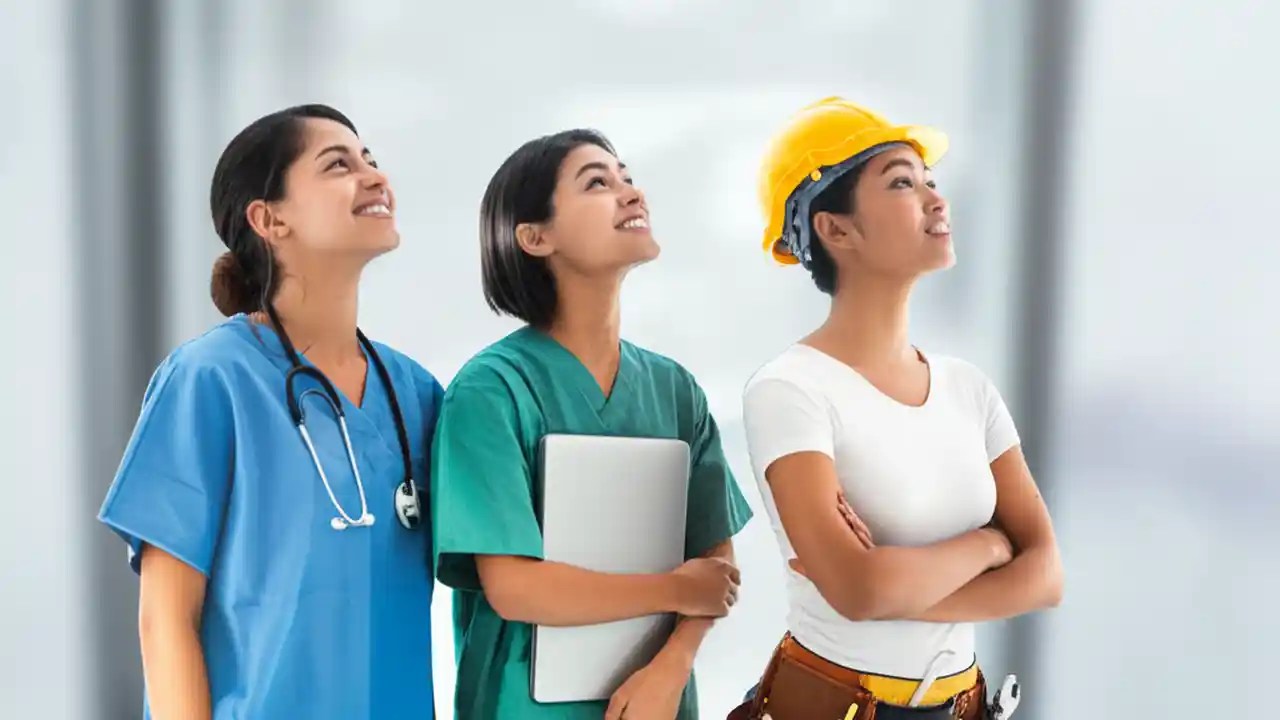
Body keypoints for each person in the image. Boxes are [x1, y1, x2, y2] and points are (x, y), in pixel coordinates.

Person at [97, 104, 443, 720]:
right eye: (338, 165)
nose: (373, 177)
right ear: (269, 217)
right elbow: (165, 619)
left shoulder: (414, 393)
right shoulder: (212, 378)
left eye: (372, 161)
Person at [734, 97, 1064, 720]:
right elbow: (858, 590)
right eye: (903, 183)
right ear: (835, 228)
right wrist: (990, 546)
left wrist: (895, 588)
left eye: (931, 181)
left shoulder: (969, 388)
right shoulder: (790, 389)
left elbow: (1046, 575)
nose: (937, 200)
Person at [430, 129, 754, 720]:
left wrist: (671, 667)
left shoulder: (675, 390)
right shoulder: (491, 391)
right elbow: (515, 587)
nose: (631, 193)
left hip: (654, 702)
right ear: (535, 236)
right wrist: (672, 590)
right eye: (598, 183)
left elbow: (716, 564)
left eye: (627, 177)